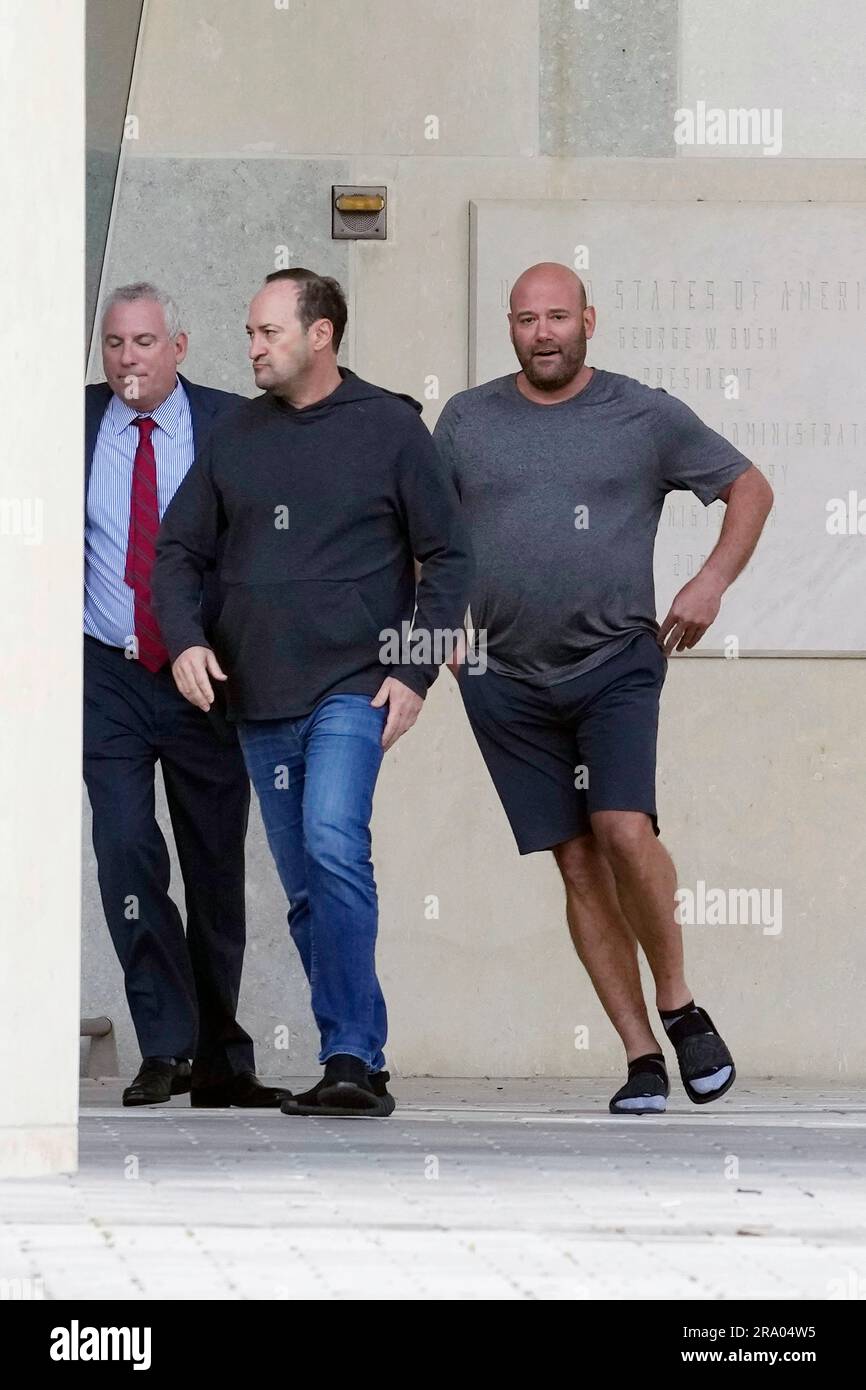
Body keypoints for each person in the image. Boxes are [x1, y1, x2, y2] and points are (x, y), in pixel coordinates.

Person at [434, 262, 773, 1115]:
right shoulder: (468, 419)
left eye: (556, 317)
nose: (541, 333)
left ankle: (680, 1004)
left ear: (589, 319)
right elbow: (423, 527)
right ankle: (640, 1060)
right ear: (508, 327)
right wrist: (436, 623)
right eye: (525, 320)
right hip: (502, 676)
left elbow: (749, 488)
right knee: (577, 862)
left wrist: (710, 583)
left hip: (615, 661)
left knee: (622, 828)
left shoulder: (642, 413)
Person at [153, 269, 473, 1117]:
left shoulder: (390, 431)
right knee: (305, 889)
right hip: (258, 700)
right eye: (251, 332)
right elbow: (177, 552)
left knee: (335, 845)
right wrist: (185, 639)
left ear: (320, 334)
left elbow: (448, 558)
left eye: (269, 332)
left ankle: (348, 1056)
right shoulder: (235, 437)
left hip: (354, 687)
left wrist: (413, 670)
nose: (253, 347)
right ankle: (357, 1052)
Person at [85, 281, 286, 1109]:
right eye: (114, 344)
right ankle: (164, 1043)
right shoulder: (70, 422)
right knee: (127, 848)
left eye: (144, 342)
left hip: (204, 675)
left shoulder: (235, 425)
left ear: (180, 345)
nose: (128, 359)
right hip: (107, 672)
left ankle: (221, 1057)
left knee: (212, 865)